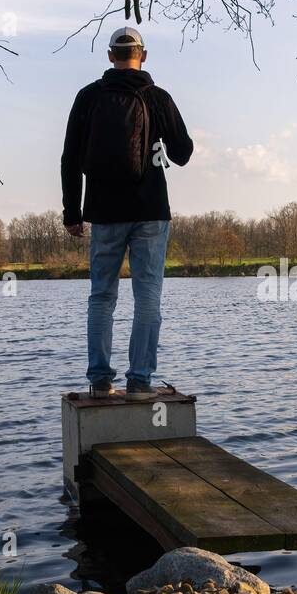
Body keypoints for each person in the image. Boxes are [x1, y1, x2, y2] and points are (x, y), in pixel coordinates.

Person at [60, 26, 193, 399]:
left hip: (103, 212)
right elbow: (183, 153)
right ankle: (139, 383)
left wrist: (73, 212)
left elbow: (70, 158)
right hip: (151, 210)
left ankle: (101, 383)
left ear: (109, 56)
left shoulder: (88, 97)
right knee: (147, 296)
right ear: (143, 56)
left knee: (102, 296)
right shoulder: (158, 98)